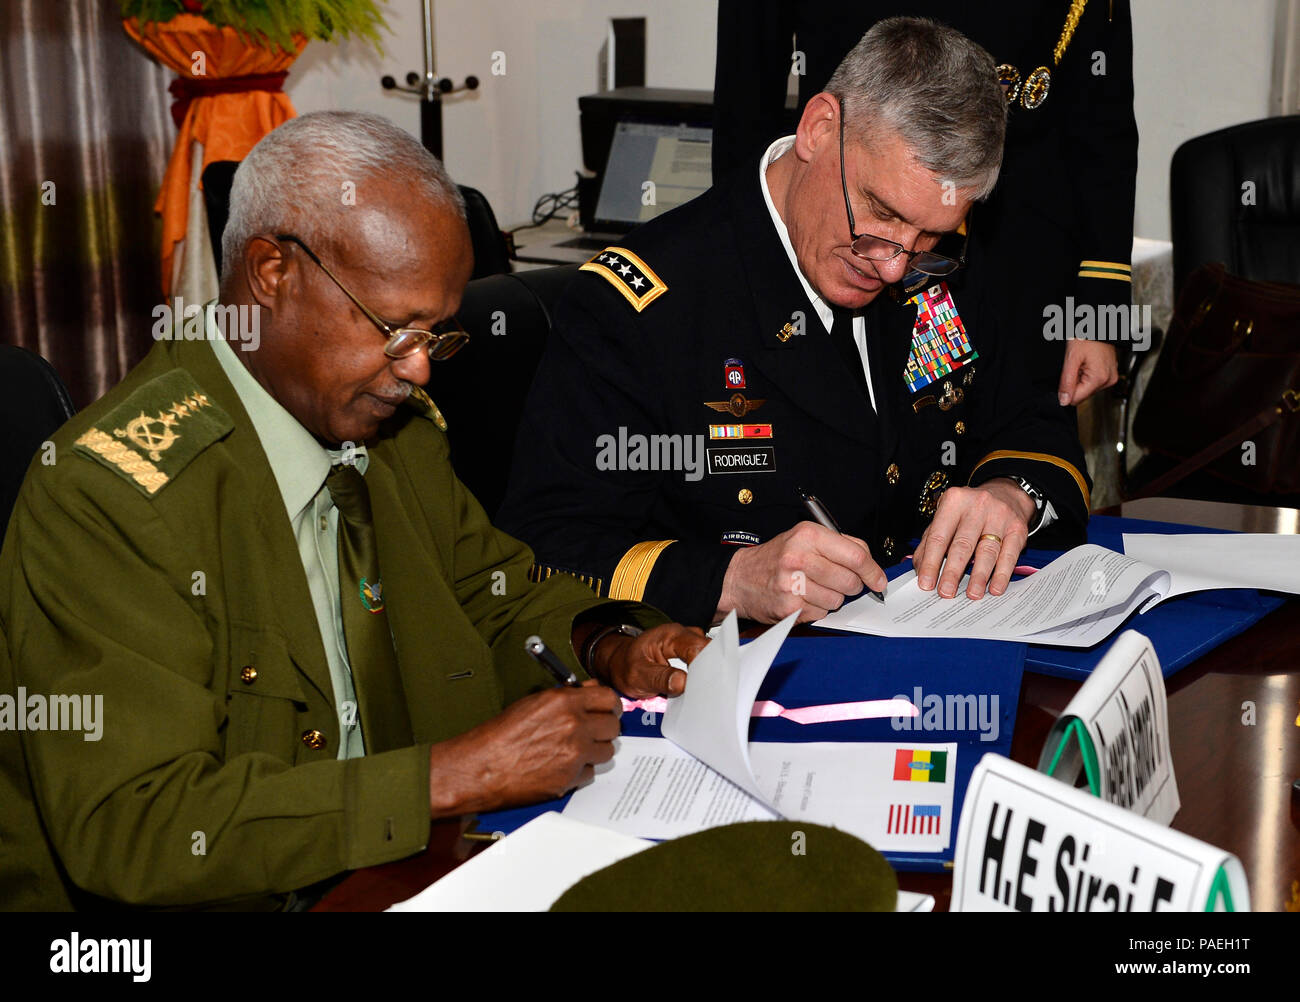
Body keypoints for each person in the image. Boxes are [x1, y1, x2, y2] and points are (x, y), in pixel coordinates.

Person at [0, 111, 706, 911]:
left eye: (435, 336)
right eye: (393, 329)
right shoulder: (113, 499)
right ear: (271, 273)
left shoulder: (388, 430)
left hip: (400, 871)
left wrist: (611, 641)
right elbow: (137, 824)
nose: (416, 370)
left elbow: (491, 596)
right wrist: (449, 775)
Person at [497, 18, 1092, 629]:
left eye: (927, 239)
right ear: (818, 128)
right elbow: (542, 550)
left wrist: (1010, 494)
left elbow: (1033, 417)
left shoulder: (943, 261)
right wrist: (728, 579)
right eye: (878, 215)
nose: (893, 268)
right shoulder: (644, 305)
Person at [710, 0, 1140, 407]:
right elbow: (746, 92)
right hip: (843, 233)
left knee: (1019, 444)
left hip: (1017, 257)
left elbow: (1103, 124)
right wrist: (743, 266)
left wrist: (1098, 313)